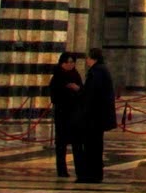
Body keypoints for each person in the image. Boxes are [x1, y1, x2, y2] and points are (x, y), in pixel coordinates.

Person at [75, 47, 115, 183]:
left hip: (93, 118)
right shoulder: (101, 70)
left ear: (93, 58)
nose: (86, 60)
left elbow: (91, 95)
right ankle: (94, 174)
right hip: (97, 117)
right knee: (95, 146)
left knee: (92, 146)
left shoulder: (96, 72)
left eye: (87, 57)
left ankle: (91, 175)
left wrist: (79, 91)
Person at [48, 52, 82, 178]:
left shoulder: (75, 75)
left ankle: (80, 170)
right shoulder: (58, 77)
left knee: (77, 143)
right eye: (69, 62)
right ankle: (61, 170)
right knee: (61, 144)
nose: (71, 64)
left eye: (73, 62)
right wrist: (66, 90)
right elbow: (54, 96)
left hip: (75, 114)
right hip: (62, 114)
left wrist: (77, 89)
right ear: (63, 63)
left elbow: (82, 91)